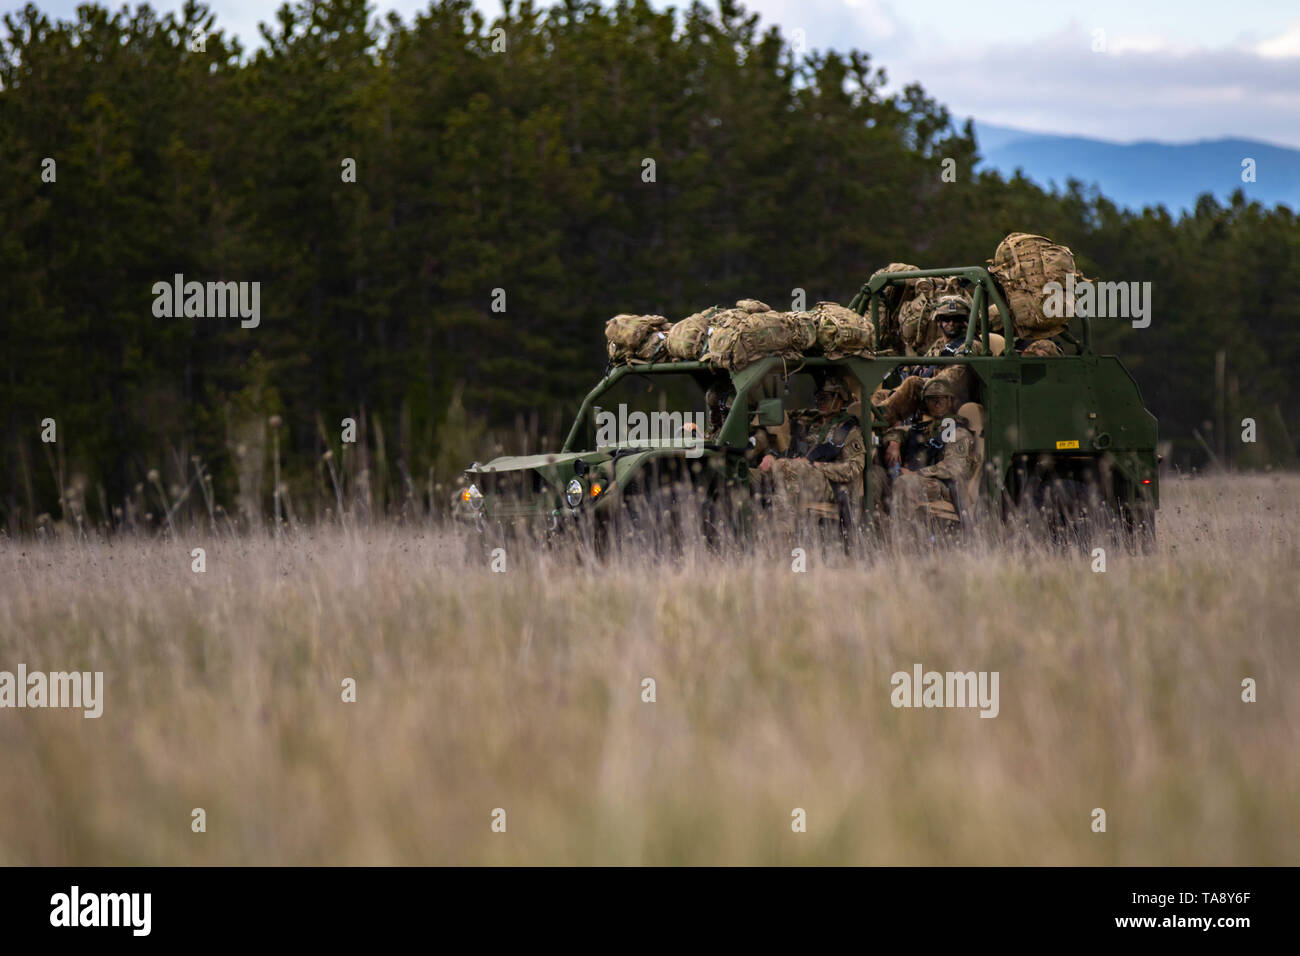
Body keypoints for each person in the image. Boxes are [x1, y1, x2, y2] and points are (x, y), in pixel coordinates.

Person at [871, 294, 995, 426]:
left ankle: (880, 423)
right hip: (932, 393)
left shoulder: (970, 345)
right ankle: (871, 423)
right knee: (882, 395)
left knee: (913, 383)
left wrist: (926, 383)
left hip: (951, 397)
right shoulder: (940, 344)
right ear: (938, 322)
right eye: (946, 319)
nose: (951, 323)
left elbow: (956, 375)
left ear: (965, 321)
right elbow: (923, 366)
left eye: (957, 319)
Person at [758, 378, 866, 508]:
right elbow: (792, 449)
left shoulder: (846, 430)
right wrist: (772, 457)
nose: (820, 402)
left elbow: (854, 468)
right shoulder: (811, 425)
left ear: (839, 399)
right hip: (803, 473)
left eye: (825, 398)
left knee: (786, 467)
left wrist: (819, 466)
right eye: (818, 398)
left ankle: (786, 518)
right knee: (759, 474)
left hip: (830, 484)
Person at [886, 377, 979, 525]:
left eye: (942, 399)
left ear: (950, 401)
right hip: (920, 479)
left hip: (944, 484)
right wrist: (894, 443)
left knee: (905, 484)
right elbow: (899, 431)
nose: (937, 403)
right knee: (875, 477)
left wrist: (916, 474)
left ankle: (903, 536)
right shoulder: (925, 427)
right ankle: (873, 532)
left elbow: (953, 467)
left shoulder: (956, 431)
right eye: (932, 399)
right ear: (926, 402)